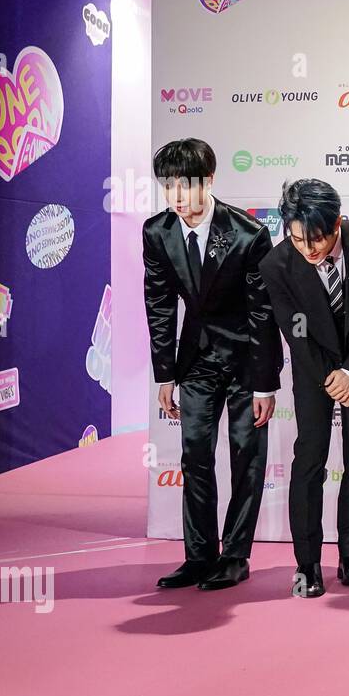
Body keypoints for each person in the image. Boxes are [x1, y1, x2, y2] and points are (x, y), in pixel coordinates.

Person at [143, 138, 281, 590]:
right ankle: (199, 555)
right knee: (195, 455)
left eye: (187, 184)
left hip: (245, 360)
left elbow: (264, 312)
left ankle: (236, 555)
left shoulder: (247, 233)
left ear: (210, 180)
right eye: (169, 186)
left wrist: (264, 384)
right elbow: (160, 304)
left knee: (246, 457)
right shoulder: (158, 232)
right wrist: (164, 373)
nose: (178, 196)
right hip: (196, 360)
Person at [260, 178, 349, 597]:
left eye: (316, 239)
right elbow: (295, 334)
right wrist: (332, 382)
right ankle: (308, 563)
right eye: (297, 239)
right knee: (309, 460)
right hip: (313, 371)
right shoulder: (276, 265)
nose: (308, 249)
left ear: (336, 223)